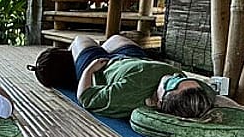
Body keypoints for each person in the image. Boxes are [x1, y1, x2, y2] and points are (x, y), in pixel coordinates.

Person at [71, 34, 217, 119]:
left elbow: (86, 97)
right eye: (181, 77)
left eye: (173, 84)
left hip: (101, 67)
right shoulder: (198, 94)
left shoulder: (127, 96)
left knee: (81, 39)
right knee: (114, 37)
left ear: (159, 102)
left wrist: (89, 70)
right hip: (136, 58)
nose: (174, 75)